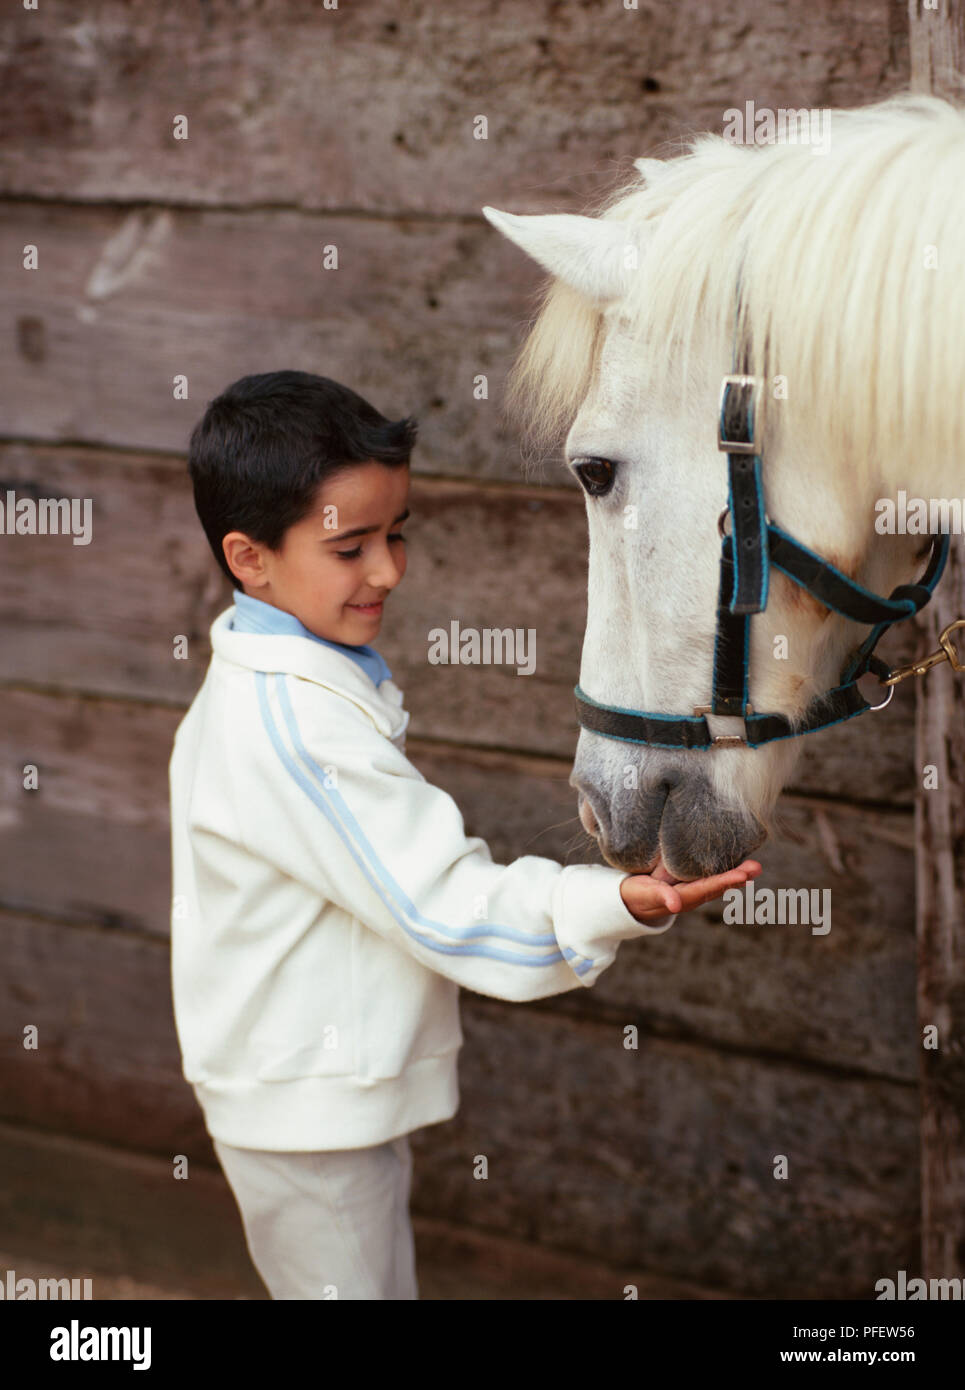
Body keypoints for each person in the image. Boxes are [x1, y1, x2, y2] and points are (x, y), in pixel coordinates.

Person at [169, 369, 761, 1300]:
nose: (388, 570)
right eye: (351, 545)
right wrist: (608, 899)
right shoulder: (292, 723)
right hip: (307, 1107)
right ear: (251, 559)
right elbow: (436, 902)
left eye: (395, 534)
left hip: (314, 1096)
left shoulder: (282, 678)